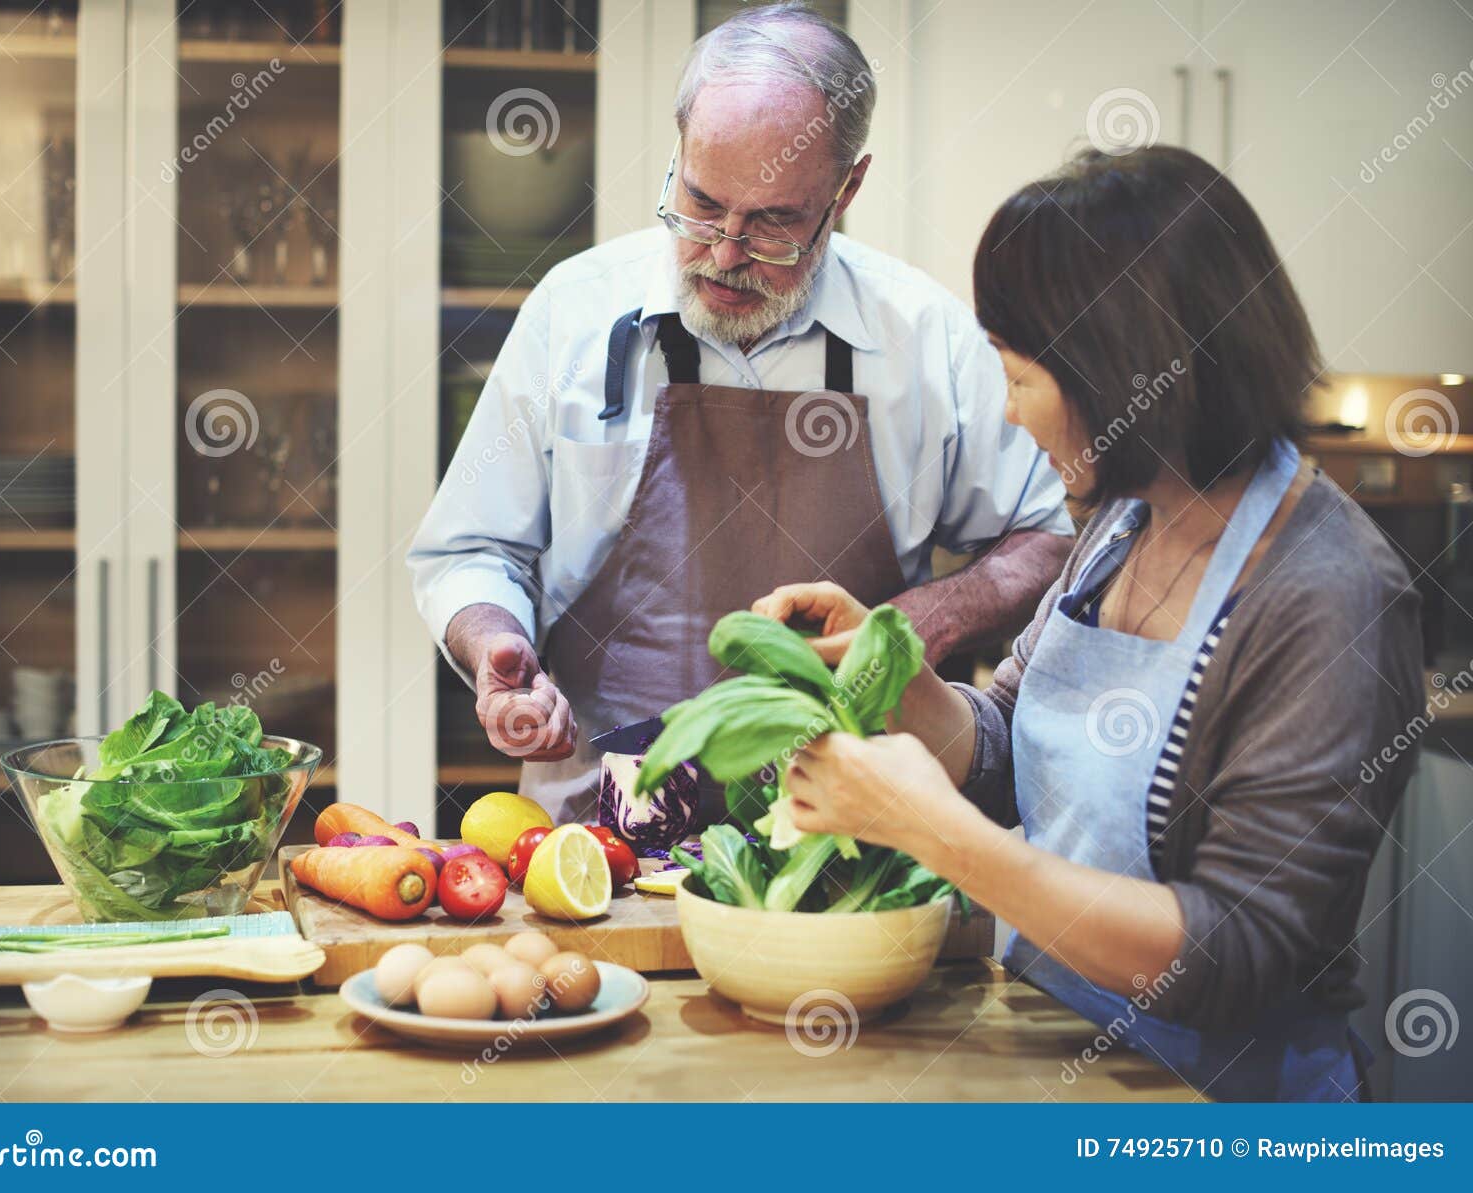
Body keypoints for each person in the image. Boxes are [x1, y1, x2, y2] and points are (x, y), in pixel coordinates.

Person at [758, 145, 1423, 1102]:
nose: (1010, 412)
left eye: (1020, 376)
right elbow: (1002, 757)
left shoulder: (1330, 598)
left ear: (1125, 375)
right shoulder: (1123, 520)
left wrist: (932, 833)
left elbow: (1233, 953)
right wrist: (894, 670)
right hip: (1064, 1065)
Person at [407, 2, 1072, 822]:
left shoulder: (925, 336)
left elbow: (1048, 537)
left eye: (772, 223)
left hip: (848, 837)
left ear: (847, 187)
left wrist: (921, 623)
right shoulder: (573, 312)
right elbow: (471, 547)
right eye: (701, 202)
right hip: (595, 842)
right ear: (680, 146)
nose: (723, 253)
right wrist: (494, 642)